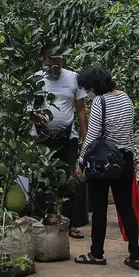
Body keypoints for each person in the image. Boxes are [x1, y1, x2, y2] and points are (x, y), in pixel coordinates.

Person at [73, 66, 139, 270]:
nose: (87, 90)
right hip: (124, 159)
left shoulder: (99, 102)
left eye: (88, 86)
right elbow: (130, 133)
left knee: (100, 209)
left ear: (94, 84)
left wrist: (81, 162)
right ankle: (135, 254)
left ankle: (97, 254)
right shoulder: (126, 98)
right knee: (126, 208)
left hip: (102, 161)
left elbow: (92, 136)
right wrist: (134, 157)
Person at [32, 55, 88, 237]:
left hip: (67, 138)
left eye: (58, 63)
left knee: (68, 181)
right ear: (43, 60)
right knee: (42, 180)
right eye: (51, 64)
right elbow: (26, 107)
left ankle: (69, 223)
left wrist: (84, 139)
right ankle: (45, 220)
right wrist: (34, 117)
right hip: (42, 140)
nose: (55, 67)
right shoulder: (36, 78)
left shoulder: (73, 78)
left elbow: (80, 109)